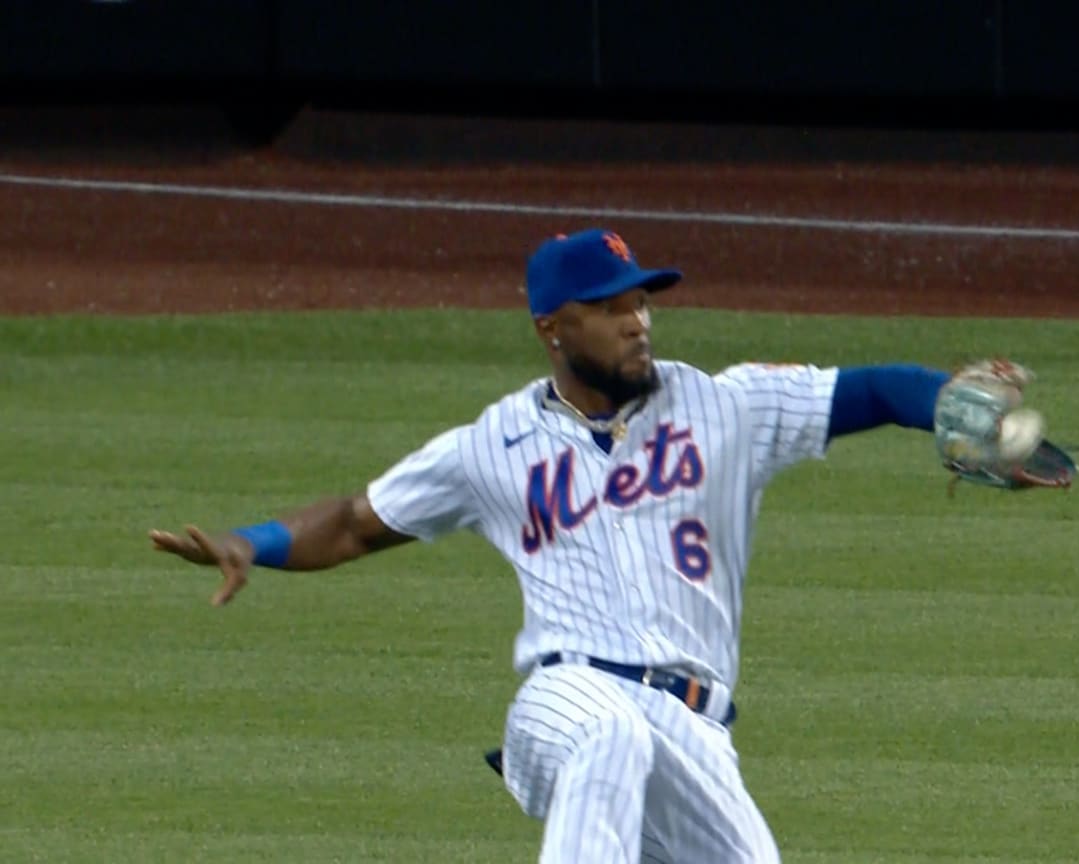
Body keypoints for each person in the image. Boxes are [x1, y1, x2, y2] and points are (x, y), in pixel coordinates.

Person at [149, 227, 960, 863]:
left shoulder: (727, 406)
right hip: (567, 702)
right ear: (553, 328)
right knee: (611, 732)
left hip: (694, 731)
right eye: (610, 309)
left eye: (640, 301)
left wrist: (958, 408)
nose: (636, 321)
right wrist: (250, 543)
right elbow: (359, 522)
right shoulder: (493, 444)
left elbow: (881, 390)